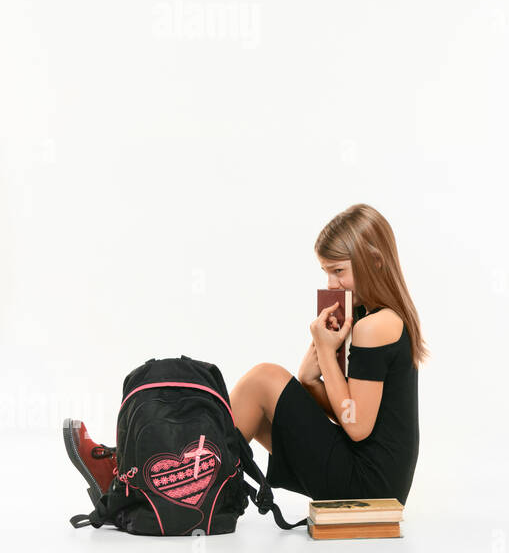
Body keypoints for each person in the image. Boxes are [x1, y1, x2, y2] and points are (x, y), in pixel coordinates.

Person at [64, 203, 427, 506]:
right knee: (264, 398)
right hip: (371, 477)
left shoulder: (375, 327)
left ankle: (148, 478)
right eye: (325, 272)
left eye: (338, 272)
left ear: (375, 262)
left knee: (263, 380)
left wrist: (327, 357)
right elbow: (357, 412)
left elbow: (357, 427)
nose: (331, 285)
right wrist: (309, 376)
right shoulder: (373, 318)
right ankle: (169, 479)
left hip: (369, 487)